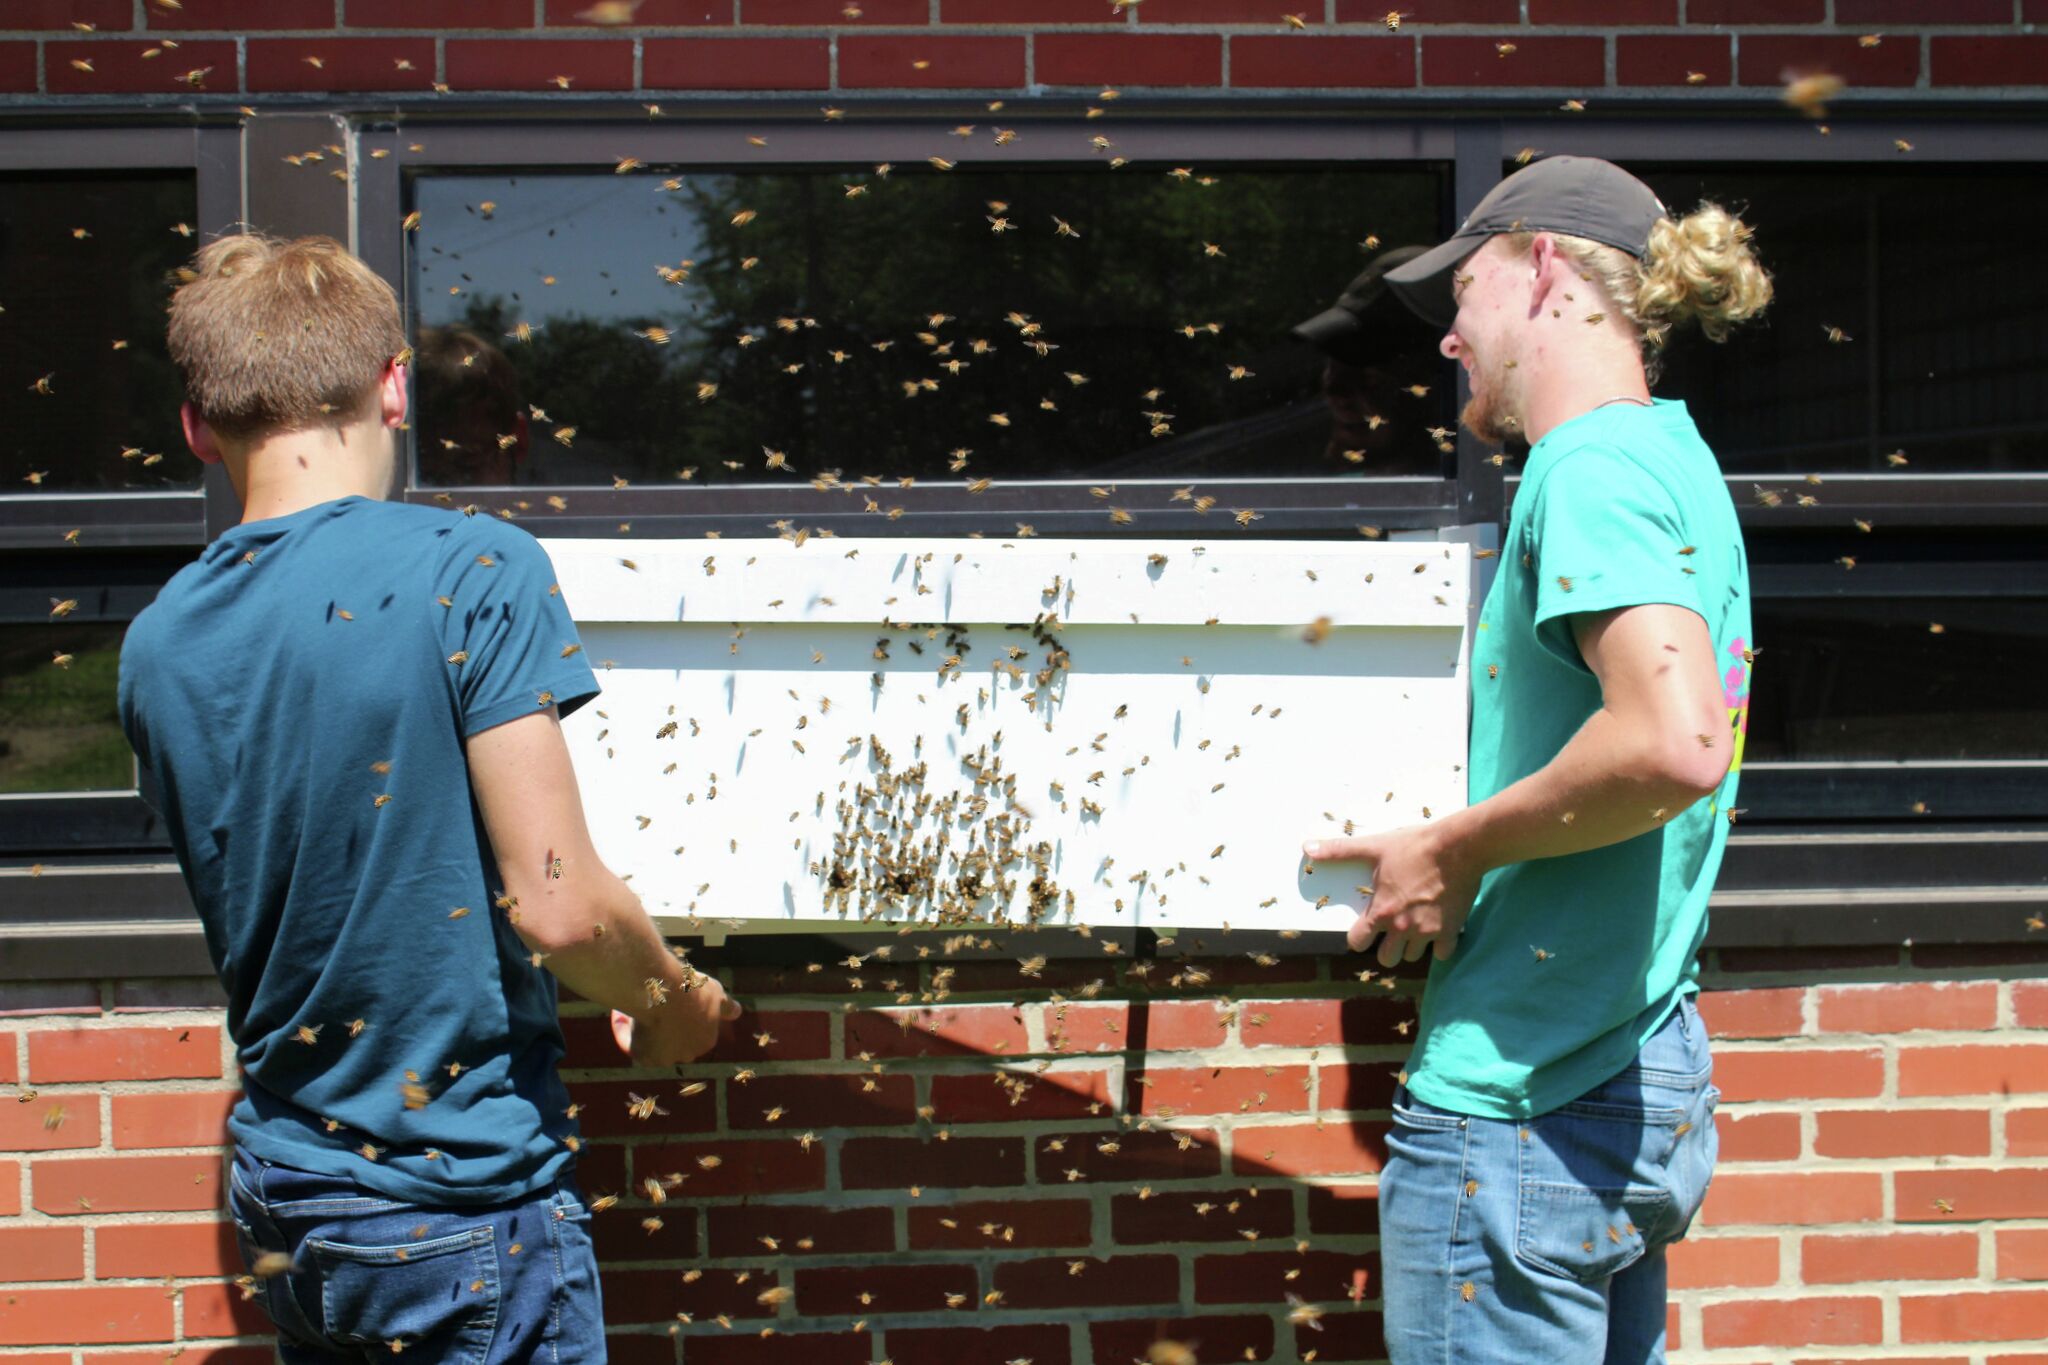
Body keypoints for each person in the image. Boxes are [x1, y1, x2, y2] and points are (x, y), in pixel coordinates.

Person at [119, 232, 738, 1361]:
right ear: (394, 388)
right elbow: (559, 907)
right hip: (456, 1207)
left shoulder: (156, 641)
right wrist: (668, 1000)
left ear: (198, 428)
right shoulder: (473, 566)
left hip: (288, 1194)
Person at [1301, 156, 1771, 1363]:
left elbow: (1672, 745)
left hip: (1529, 1088)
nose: (1449, 340)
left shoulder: (1588, 468)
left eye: (1462, 294)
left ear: (1543, 267)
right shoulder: (1671, 459)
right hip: (1632, 1056)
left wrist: (1444, 847)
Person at [1292, 245, 1448, 475]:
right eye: (1331, 369)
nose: (1335, 394)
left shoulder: (1509, 502)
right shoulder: (1326, 497)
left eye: (1368, 378)